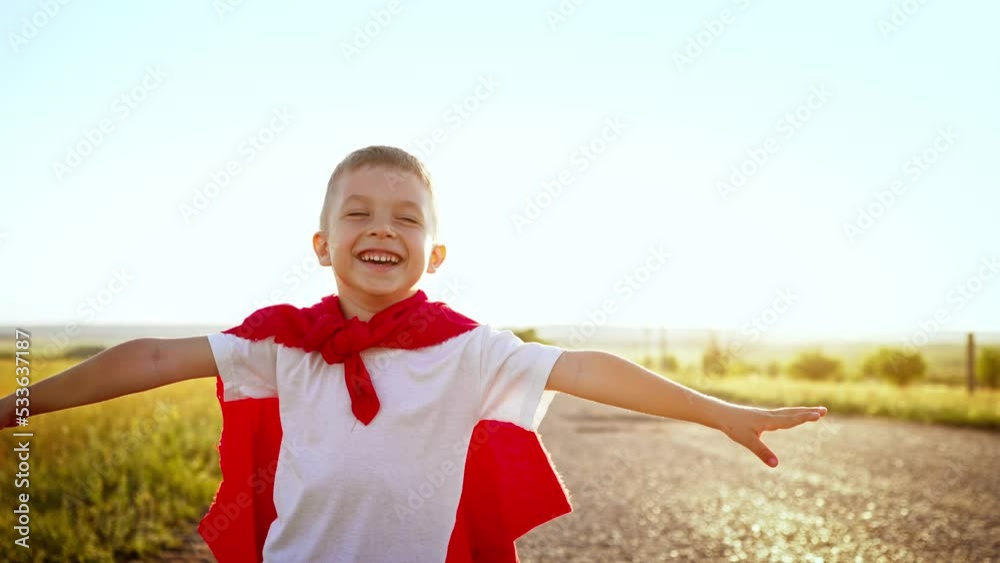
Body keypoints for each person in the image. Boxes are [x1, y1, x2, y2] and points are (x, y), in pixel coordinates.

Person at [0, 145, 827, 562]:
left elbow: (586, 368)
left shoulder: (469, 349)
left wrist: (721, 411)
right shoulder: (281, 340)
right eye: (357, 214)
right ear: (324, 244)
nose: (381, 227)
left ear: (433, 254)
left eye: (406, 216)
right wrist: (20, 403)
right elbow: (147, 359)